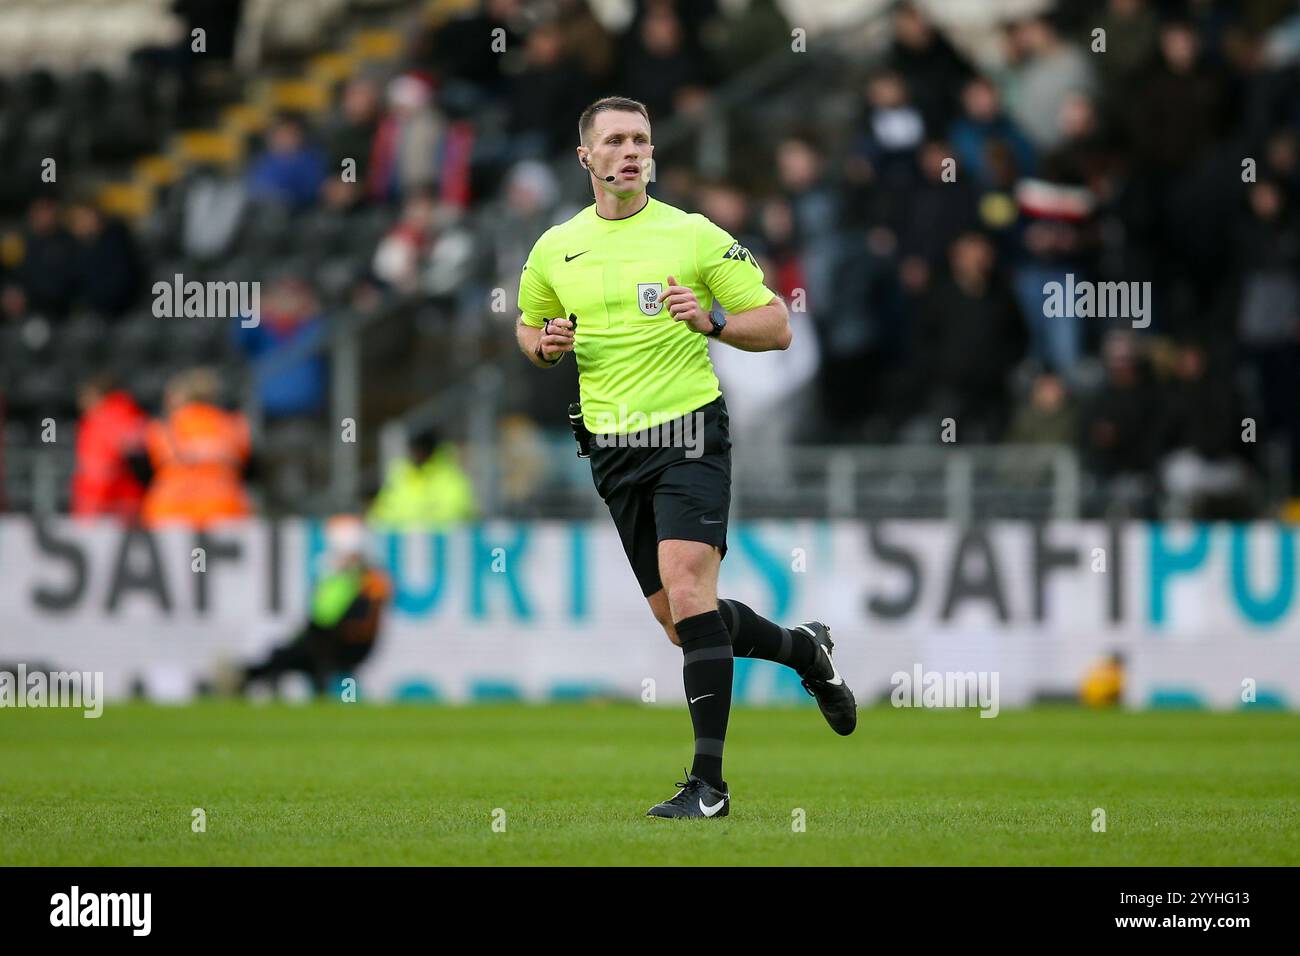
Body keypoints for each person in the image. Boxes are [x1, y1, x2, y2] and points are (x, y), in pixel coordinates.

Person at [515, 96, 857, 820]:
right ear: (586, 157)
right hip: (611, 448)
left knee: (689, 591)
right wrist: (543, 346)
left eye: (640, 140)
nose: (630, 152)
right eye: (615, 140)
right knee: (681, 620)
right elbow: (528, 324)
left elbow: (778, 325)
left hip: (688, 433)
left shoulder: (693, 234)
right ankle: (805, 650)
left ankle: (709, 787)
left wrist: (713, 319)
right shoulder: (555, 247)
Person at [239, 517, 390, 697]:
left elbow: (323, 618)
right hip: (337, 645)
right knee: (286, 654)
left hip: (335, 646)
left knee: (286, 655)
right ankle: (245, 677)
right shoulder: (365, 579)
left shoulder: (358, 581)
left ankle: (243, 677)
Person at [141, 368, 253, 527]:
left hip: (170, 510)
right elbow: (245, 459)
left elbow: (153, 459)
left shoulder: (164, 427)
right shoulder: (234, 425)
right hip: (225, 508)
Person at [70, 374, 149, 519]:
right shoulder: (96, 418)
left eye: (85, 396)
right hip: (103, 494)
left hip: (110, 497)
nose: (82, 401)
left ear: (97, 395)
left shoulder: (115, 414)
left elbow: (131, 448)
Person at [368, 429, 477, 529]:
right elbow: (381, 512)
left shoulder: (450, 474)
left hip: (439, 540)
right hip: (403, 539)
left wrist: (421, 524)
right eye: (414, 449)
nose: (417, 454)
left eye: (421, 449)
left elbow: (458, 512)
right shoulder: (400, 473)